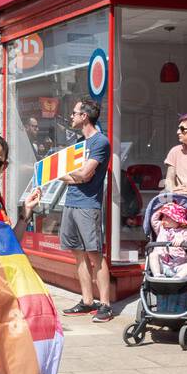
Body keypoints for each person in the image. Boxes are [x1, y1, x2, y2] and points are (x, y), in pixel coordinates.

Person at [59, 99, 114, 322]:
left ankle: (106, 305)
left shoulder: (100, 142)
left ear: (85, 116)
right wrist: (71, 176)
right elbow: (76, 175)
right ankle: (87, 301)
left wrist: (62, 175)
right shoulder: (80, 142)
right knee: (78, 254)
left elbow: (84, 175)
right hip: (71, 202)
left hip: (88, 205)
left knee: (95, 255)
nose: (71, 116)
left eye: (74, 113)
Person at [147, 202, 187, 278]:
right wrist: (161, 209)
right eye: (163, 216)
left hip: (178, 265)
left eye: (167, 217)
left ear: (177, 220)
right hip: (161, 264)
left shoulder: (184, 231)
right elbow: (154, 219)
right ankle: (157, 275)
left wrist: (183, 240)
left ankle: (178, 277)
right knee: (153, 255)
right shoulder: (160, 228)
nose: (163, 218)